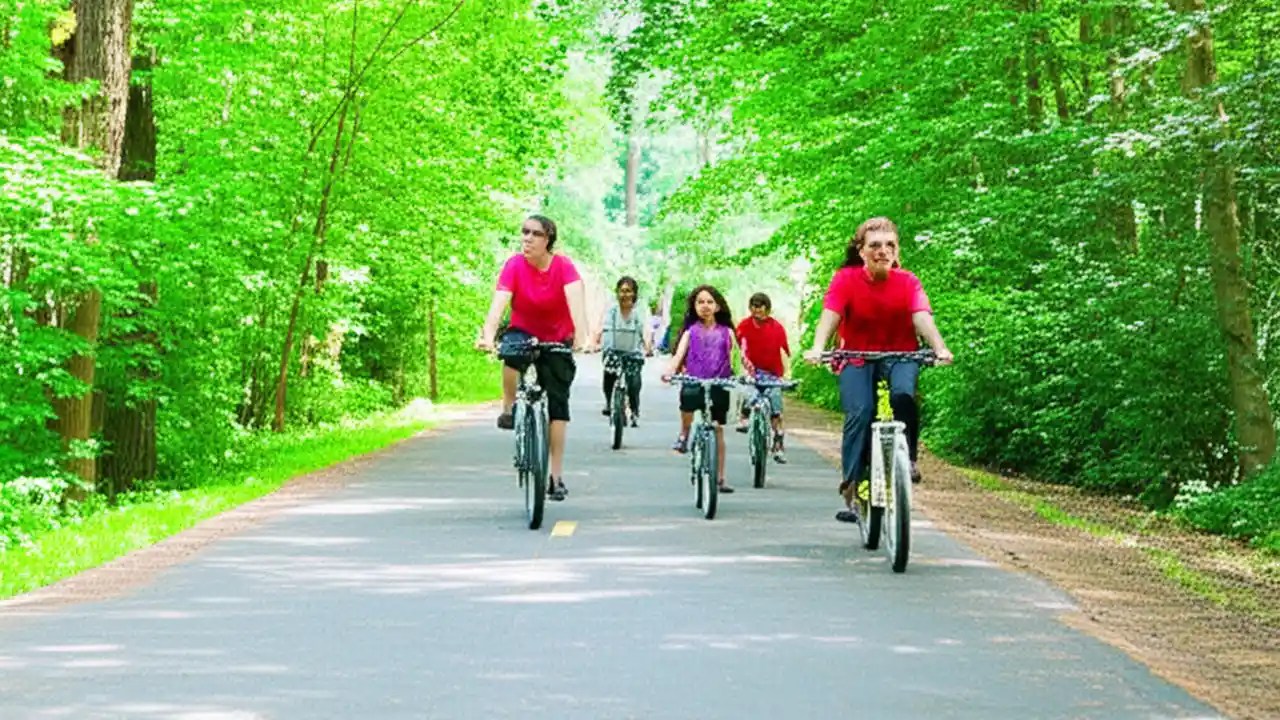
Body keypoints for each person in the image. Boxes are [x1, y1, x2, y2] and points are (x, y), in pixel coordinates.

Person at [803, 216, 953, 522]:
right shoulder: (845, 279)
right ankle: (854, 488)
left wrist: (939, 346)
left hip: (901, 353)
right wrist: (818, 347)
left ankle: (908, 458)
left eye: (889, 245)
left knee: (903, 396)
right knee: (860, 411)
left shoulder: (908, 281)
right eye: (874, 245)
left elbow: (921, 316)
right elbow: (830, 315)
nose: (882, 251)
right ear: (861, 251)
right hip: (856, 355)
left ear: (897, 251)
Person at [477, 215, 588, 502]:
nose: (527, 238)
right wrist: (488, 335)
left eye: (534, 234)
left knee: (558, 406)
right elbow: (498, 304)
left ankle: (555, 477)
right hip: (522, 331)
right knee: (510, 354)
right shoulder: (514, 265)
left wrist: (582, 338)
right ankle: (509, 406)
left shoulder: (563, 267)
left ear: (548, 238)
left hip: (556, 337)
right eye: (524, 232)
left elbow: (577, 305)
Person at [664, 285, 739, 494]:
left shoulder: (728, 333)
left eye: (709, 302)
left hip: (719, 384)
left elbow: (740, 360)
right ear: (694, 307)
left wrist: (746, 375)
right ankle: (685, 432)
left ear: (717, 306)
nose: (705, 306)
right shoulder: (690, 332)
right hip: (695, 381)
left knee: (717, 428)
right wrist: (669, 371)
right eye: (700, 302)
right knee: (688, 398)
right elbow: (678, 357)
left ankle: (721, 477)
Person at [734, 292, 792, 463]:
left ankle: (778, 443)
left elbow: (785, 352)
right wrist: (743, 367)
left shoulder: (777, 327)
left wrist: (786, 376)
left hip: (773, 374)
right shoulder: (744, 325)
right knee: (747, 393)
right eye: (753, 306)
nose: (757, 309)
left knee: (776, 406)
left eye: (760, 306)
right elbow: (738, 349)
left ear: (767, 307)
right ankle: (744, 419)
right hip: (752, 372)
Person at [594, 276, 653, 425]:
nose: (624, 294)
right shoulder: (611, 309)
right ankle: (609, 403)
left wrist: (648, 346)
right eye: (621, 291)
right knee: (609, 376)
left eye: (628, 291)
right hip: (613, 350)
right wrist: (594, 341)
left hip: (633, 351)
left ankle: (634, 410)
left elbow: (645, 329)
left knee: (633, 383)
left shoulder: (639, 310)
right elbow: (601, 326)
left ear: (634, 294)